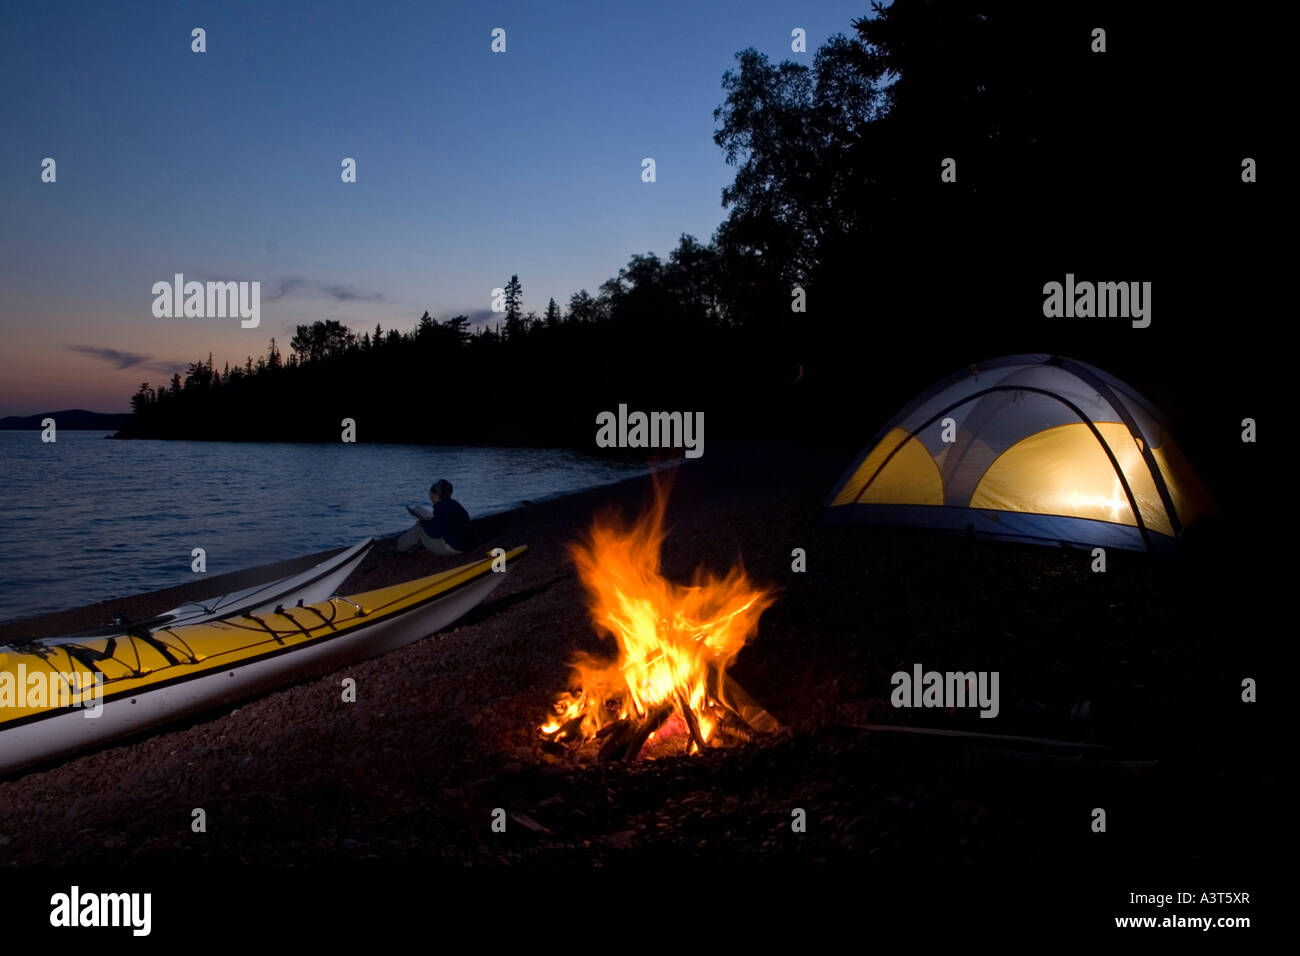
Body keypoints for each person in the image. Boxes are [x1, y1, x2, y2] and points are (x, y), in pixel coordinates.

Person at [397, 479, 470, 555]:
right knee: (427, 525)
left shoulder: (441, 507)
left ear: (438, 495)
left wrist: (423, 521)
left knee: (420, 526)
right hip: (464, 546)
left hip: (452, 549)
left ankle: (400, 548)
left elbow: (435, 533)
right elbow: (445, 524)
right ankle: (408, 547)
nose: (430, 498)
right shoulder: (455, 504)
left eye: (431, 494)